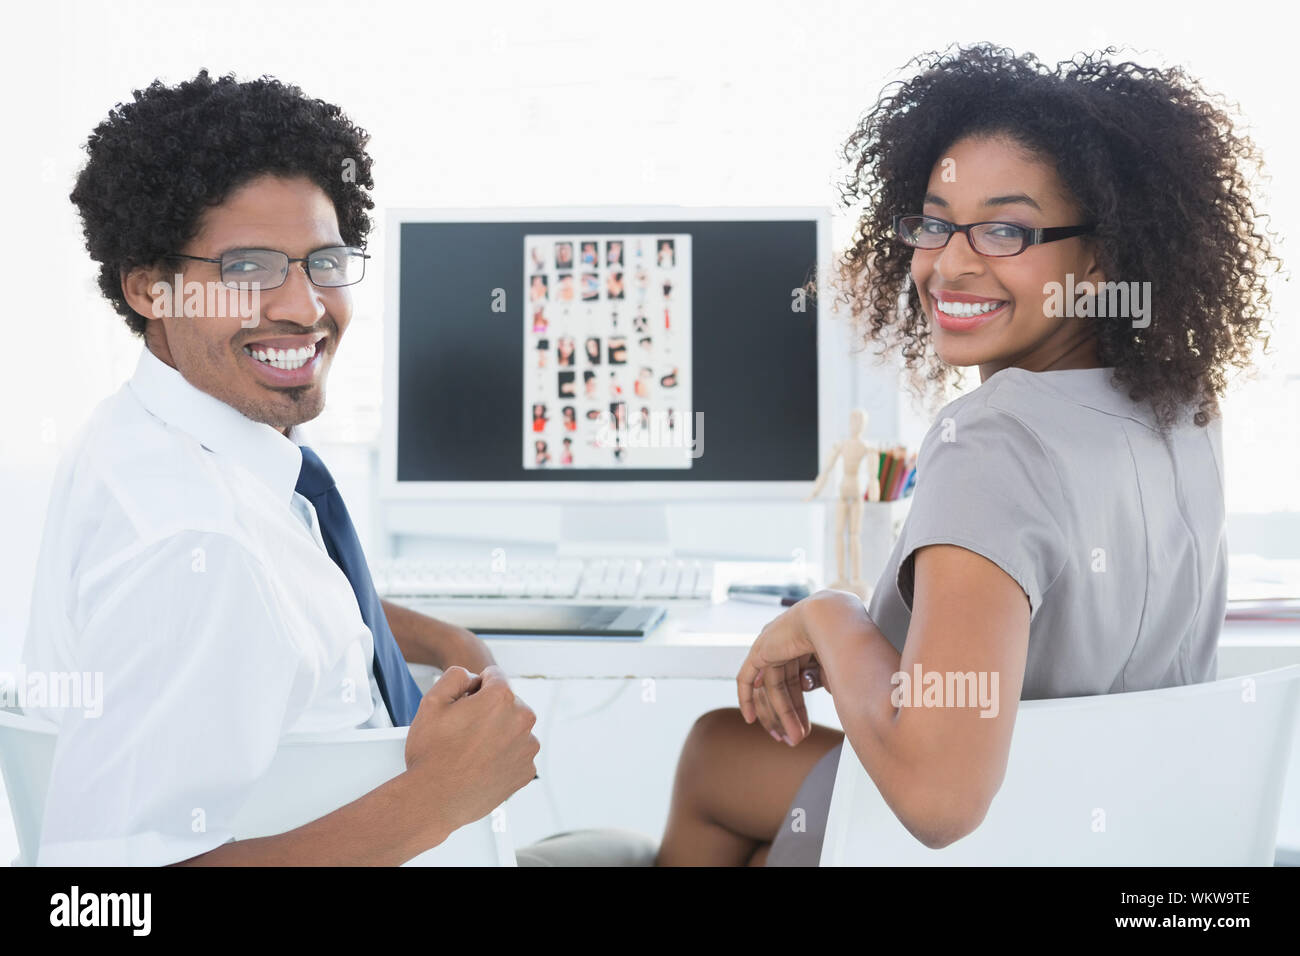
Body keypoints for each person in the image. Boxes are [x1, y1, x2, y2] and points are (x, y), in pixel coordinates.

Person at [655, 43, 1277, 866]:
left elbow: (940, 800)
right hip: (1120, 841)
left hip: (999, 840)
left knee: (714, 755)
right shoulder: (1185, 406)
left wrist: (829, 615)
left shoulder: (995, 440)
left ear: (1101, 260)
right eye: (935, 222)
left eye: (1005, 230)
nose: (950, 263)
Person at [24, 69, 655, 867]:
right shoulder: (197, 549)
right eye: (247, 268)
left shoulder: (155, 440)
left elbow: (280, 611)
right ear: (151, 289)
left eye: (322, 261)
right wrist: (438, 798)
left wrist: (444, 638)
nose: (304, 307)